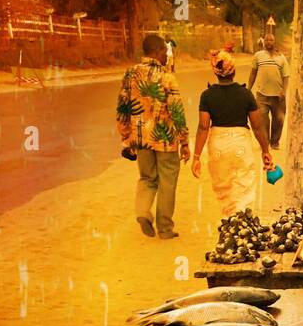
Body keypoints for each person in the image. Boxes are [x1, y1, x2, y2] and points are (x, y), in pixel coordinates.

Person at [116, 32, 190, 239]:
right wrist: (184, 141)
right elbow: (177, 112)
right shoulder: (167, 78)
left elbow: (122, 106)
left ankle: (142, 212)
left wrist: (125, 136)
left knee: (147, 178)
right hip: (165, 139)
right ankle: (165, 228)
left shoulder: (130, 74)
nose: (167, 55)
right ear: (157, 52)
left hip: (140, 137)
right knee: (167, 181)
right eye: (165, 51)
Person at [193, 49, 273, 216]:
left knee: (224, 188)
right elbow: (257, 126)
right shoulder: (246, 95)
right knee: (243, 186)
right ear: (234, 71)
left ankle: (229, 220)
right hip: (241, 145)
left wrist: (196, 156)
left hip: (217, 146)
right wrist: (265, 150)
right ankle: (241, 220)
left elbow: (203, 127)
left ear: (215, 73)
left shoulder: (207, 96)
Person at [248, 33, 290, 151]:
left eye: (271, 40)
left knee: (279, 120)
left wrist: (284, 91)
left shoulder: (281, 58)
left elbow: (286, 76)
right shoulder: (258, 56)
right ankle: (265, 142)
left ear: (274, 42)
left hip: (278, 96)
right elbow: (253, 73)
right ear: (264, 42)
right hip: (262, 95)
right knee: (262, 119)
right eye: (267, 40)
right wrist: (248, 89)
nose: (269, 42)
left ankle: (275, 142)